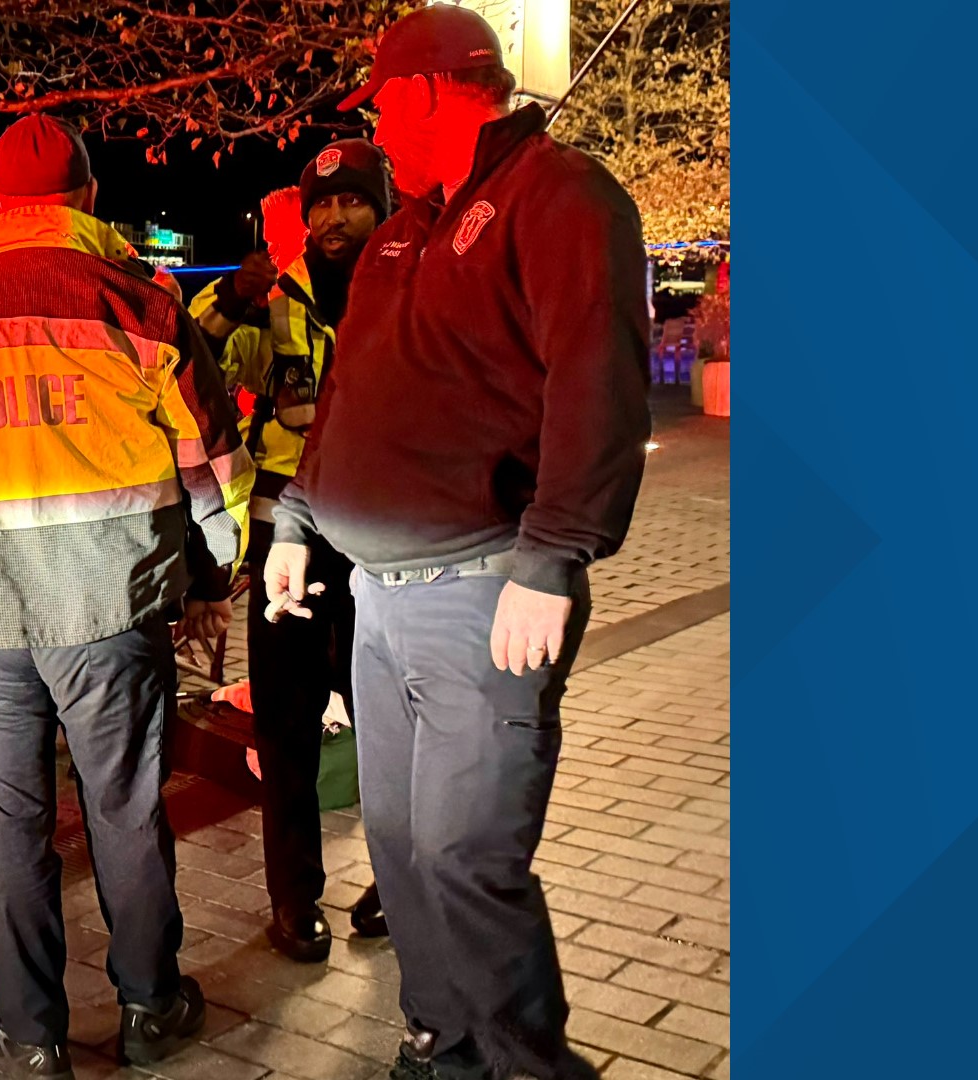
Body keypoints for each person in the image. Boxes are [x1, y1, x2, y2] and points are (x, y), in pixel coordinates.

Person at [266, 6, 652, 1078]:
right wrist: (298, 517)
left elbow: (598, 383)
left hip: (482, 592)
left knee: (466, 857)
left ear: (430, 92)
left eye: (384, 106)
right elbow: (349, 395)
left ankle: (526, 1065)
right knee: (400, 848)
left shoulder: (559, 195)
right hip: (377, 602)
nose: (378, 130)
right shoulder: (402, 232)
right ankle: (443, 1046)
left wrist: (554, 554)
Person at [0, 114, 251, 1079]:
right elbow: (218, 478)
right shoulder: (143, 309)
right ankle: (152, 1007)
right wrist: (209, 581)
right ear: (90, 198)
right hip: (111, 615)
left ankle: (30, 1035)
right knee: (126, 812)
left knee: (7, 828)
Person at [187, 142, 393, 964]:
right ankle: (293, 897)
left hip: (386, 542)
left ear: (380, 207)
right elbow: (194, 363)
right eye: (321, 205)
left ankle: (396, 881)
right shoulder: (273, 301)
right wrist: (232, 298)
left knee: (394, 725)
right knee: (286, 728)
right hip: (286, 548)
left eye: (352, 200)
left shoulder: (411, 283)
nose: (334, 217)